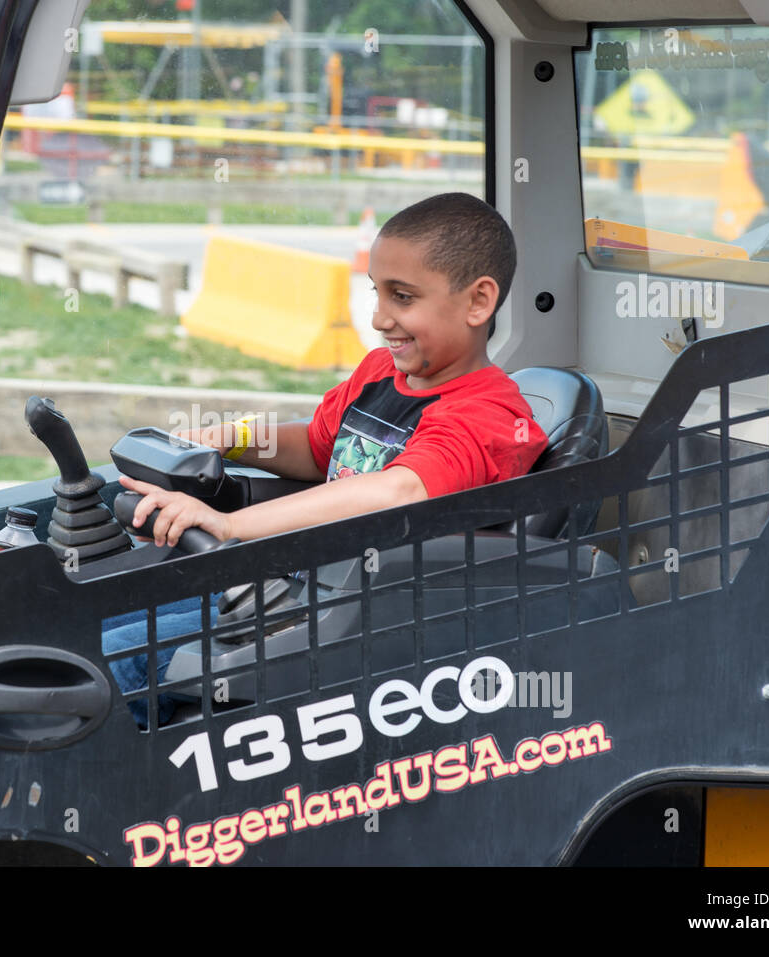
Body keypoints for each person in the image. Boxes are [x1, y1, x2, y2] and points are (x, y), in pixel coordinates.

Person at [103, 192, 550, 727]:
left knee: (110, 660)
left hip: (351, 623)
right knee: (91, 620)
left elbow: (398, 490)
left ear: (479, 302)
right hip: (283, 592)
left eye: (403, 298)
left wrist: (228, 524)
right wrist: (233, 439)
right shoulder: (381, 373)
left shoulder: (489, 415)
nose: (381, 318)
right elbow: (319, 446)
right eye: (377, 294)